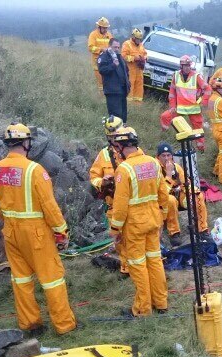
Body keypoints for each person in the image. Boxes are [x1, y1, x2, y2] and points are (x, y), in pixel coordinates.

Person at [0, 124, 76, 335]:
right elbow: (49, 206)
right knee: (52, 279)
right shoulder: (34, 171)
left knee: (21, 280)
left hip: (11, 232)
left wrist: (0, 213)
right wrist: (61, 231)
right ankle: (64, 325)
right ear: (27, 143)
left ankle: (30, 325)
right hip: (37, 234)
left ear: (7, 144)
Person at [108, 127, 170, 317]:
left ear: (121, 146)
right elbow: (163, 195)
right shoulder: (153, 162)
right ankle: (161, 302)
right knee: (155, 261)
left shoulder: (124, 169)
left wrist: (115, 229)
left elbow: (120, 205)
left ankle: (143, 309)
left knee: (138, 265)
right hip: (153, 221)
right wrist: (162, 218)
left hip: (135, 225)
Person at [88, 116, 128, 273]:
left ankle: (138, 268)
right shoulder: (104, 155)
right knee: (119, 239)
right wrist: (102, 182)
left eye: (116, 136)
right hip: (113, 204)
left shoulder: (133, 151)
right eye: (111, 137)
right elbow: (93, 177)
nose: (114, 140)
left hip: (133, 202)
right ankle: (126, 269)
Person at [156, 142, 209, 242]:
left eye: (168, 155)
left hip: (178, 196)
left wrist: (190, 191)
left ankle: (202, 230)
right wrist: (168, 175)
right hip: (163, 201)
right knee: (170, 200)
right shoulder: (155, 169)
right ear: (158, 157)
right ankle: (174, 233)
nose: (166, 158)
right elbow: (162, 192)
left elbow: (186, 183)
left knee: (198, 195)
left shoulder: (176, 167)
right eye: (163, 155)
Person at [161, 55, 211, 151]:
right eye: (185, 66)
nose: (187, 68)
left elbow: (208, 89)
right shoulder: (176, 75)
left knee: (198, 131)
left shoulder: (197, 76)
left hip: (194, 109)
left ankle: (201, 149)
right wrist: (172, 106)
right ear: (181, 66)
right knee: (165, 117)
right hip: (179, 107)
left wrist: (203, 102)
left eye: (189, 65)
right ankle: (164, 137)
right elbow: (172, 93)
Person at [98, 38, 130, 123]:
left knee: (123, 115)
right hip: (112, 91)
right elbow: (102, 70)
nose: (117, 49)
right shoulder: (104, 56)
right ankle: (114, 131)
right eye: (115, 47)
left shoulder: (120, 56)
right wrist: (113, 65)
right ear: (109, 46)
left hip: (122, 90)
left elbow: (126, 71)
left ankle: (123, 130)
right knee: (115, 116)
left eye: (118, 47)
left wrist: (128, 83)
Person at [121, 28, 147, 105]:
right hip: (130, 71)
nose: (139, 41)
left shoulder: (141, 45)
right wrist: (133, 58)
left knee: (139, 87)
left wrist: (144, 58)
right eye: (137, 39)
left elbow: (145, 54)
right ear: (133, 37)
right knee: (130, 86)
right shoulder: (127, 44)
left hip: (139, 71)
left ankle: (137, 104)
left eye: (140, 39)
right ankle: (128, 104)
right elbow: (123, 56)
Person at [87, 17, 112, 88]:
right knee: (101, 84)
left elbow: (112, 46)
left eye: (106, 28)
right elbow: (90, 48)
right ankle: (101, 95)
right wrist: (101, 49)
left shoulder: (109, 35)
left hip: (108, 63)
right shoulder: (93, 35)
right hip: (98, 64)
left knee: (109, 83)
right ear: (99, 27)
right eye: (104, 28)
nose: (105, 30)